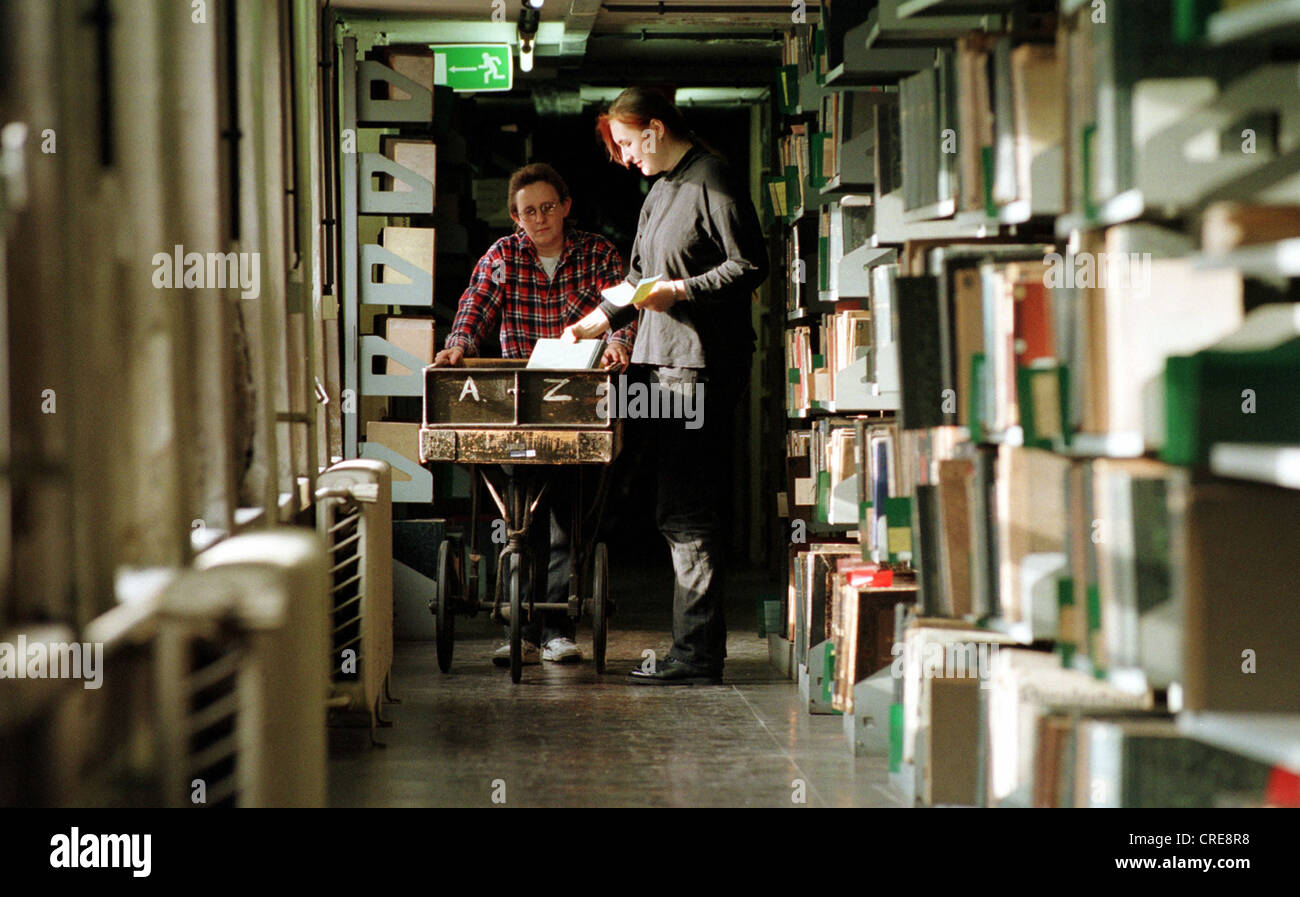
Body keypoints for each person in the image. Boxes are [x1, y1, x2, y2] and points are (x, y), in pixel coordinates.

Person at [564, 87, 769, 685]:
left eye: (627, 144)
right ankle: (693, 647)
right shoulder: (659, 189)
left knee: (688, 507)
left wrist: (680, 291)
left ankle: (698, 655)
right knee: (665, 503)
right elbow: (636, 277)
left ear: (653, 130)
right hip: (658, 365)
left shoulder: (713, 178)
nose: (625, 158)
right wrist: (597, 321)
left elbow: (749, 263)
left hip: (699, 368)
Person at [435, 162, 635, 666]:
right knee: (519, 518)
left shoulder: (598, 254)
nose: (540, 218)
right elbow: (474, 305)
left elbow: (625, 310)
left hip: (576, 399)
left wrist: (618, 345)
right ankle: (518, 627)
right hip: (516, 405)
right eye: (528, 211)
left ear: (566, 206)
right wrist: (458, 345)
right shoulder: (503, 255)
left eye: (548, 207)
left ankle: (557, 629)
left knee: (568, 516)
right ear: (514, 217)